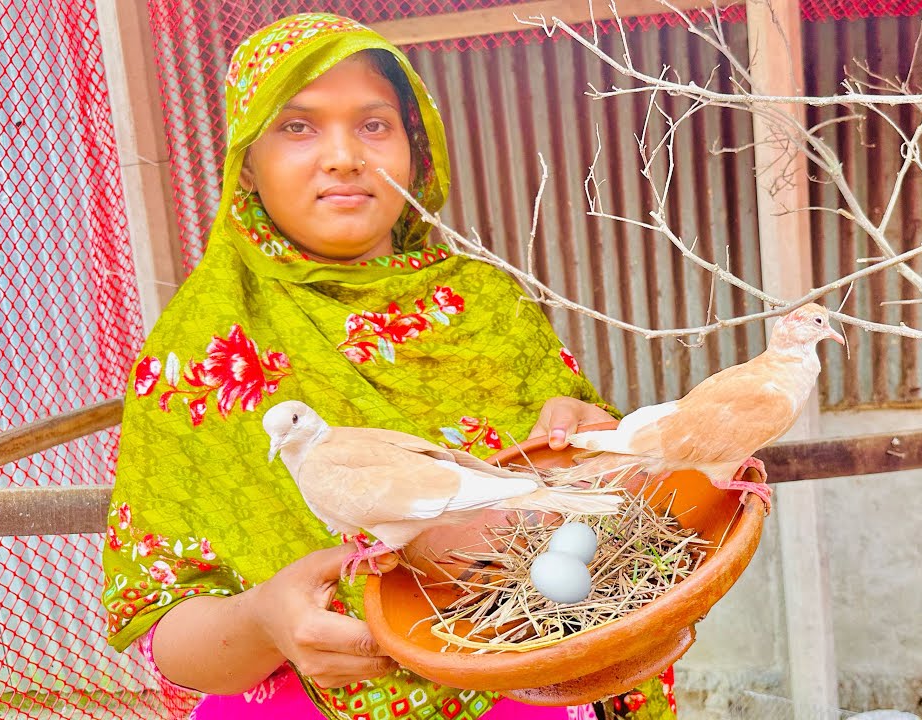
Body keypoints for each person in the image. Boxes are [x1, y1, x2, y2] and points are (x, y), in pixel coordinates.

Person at [101, 13, 677, 720]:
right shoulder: (197, 353)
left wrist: (587, 445)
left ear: (416, 147)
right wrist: (263, 619)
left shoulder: (486, 306)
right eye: (297, 126)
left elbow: (598, 513)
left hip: (529, 686)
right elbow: (169, 629)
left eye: (374, 125)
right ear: (246, 159)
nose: (343, 156)